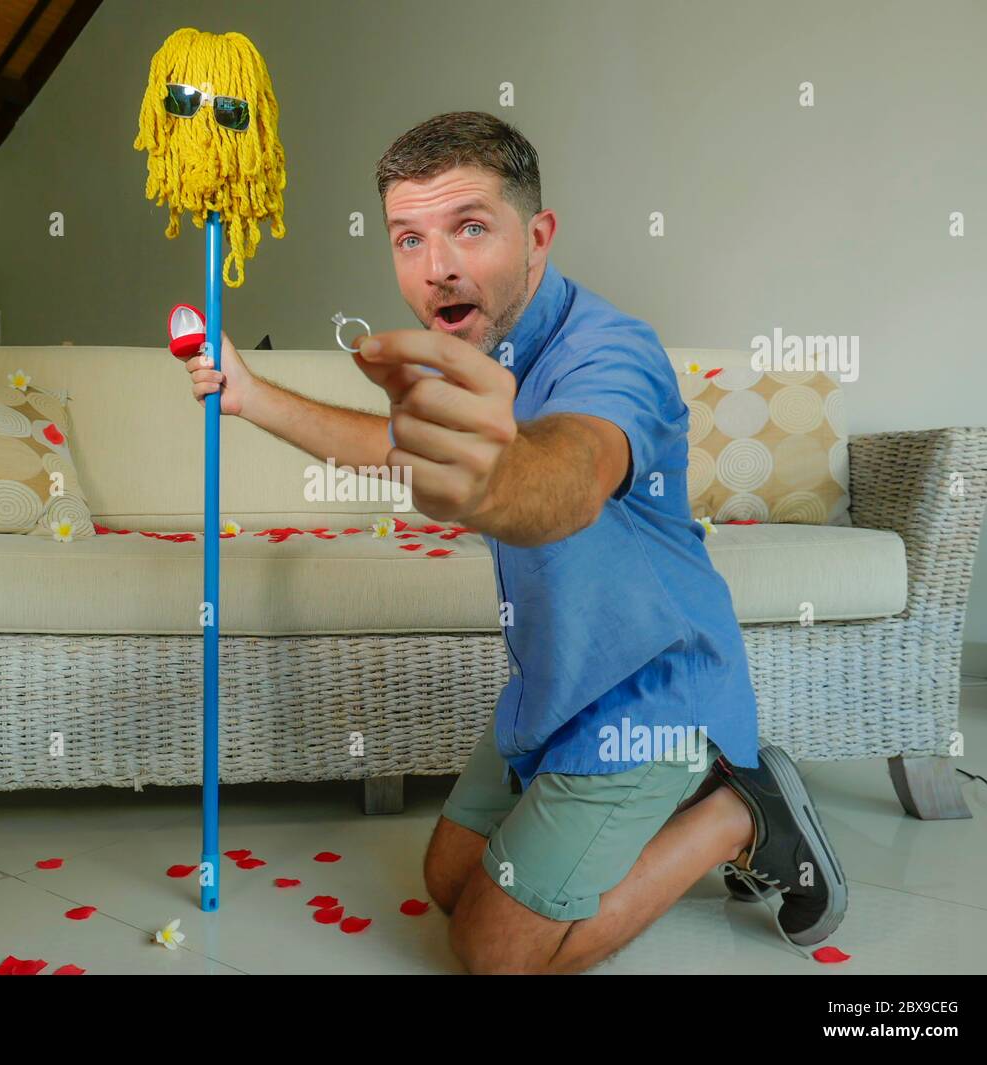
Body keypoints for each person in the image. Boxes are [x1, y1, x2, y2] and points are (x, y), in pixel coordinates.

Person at [183, 111, 846, 974]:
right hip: (554, 682)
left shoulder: (615, 353)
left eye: (469, 228)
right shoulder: (472, 349)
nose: (437, 267)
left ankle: (742, 809)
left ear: (537, 235)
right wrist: (248, 395)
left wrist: (497, 479)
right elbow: (396, 451)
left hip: (653, 692)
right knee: (446, 880)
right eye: (408, 238)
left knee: (494, 952)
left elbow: (572, 470)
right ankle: (677, 801)